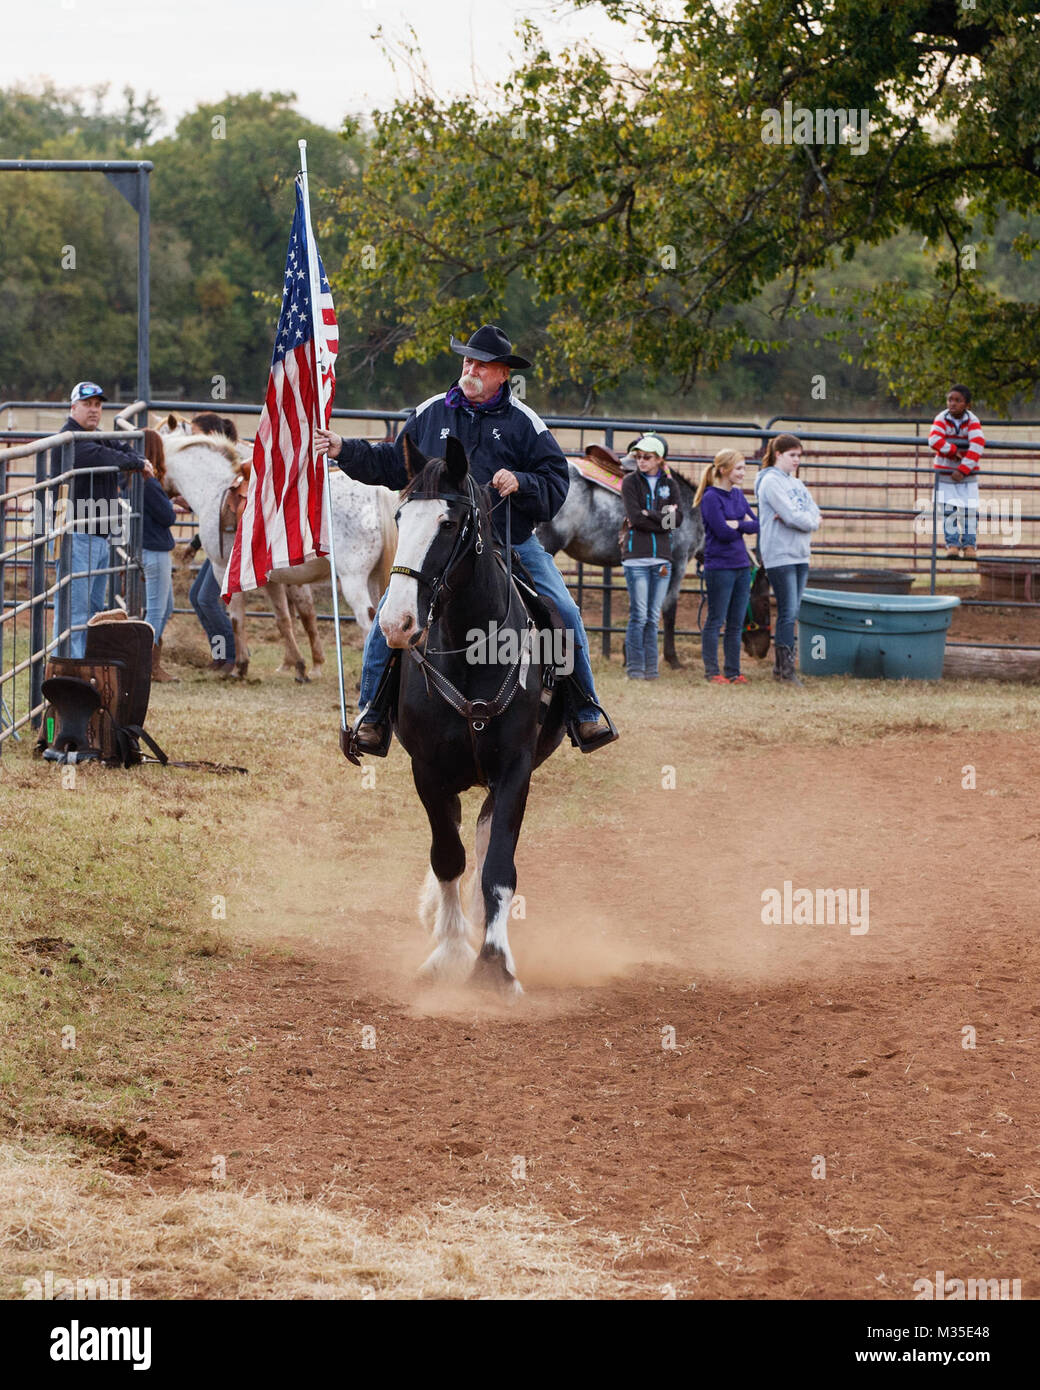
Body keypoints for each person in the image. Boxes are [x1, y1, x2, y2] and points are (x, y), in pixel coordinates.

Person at [316, 324, 614, 752]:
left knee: (563, 611)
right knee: (389, 614)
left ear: (502, 375)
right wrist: (345, 448)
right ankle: (374, 713)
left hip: (510, 541)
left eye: (481, 364)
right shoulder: (433, 411)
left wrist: (524, 482)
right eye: (467, 361)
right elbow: (393, 462)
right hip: (440, 547)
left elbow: (554, 483)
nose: (470, 369)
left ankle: (585, 710)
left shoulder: (525, 424)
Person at [51, 381, 146, 658]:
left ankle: (81, 666)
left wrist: (135, 460)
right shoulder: (70, 439)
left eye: (98, 404)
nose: (94, 410)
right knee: (74, 609)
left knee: (92, 608)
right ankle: (67, 667)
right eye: (87, 404)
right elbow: (112, 455)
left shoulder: (97, 436)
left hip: (97, 536)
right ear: (73, 407)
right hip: (77, 535)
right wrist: (136, 463)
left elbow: (128, 452)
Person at [754, 434, 821, 686]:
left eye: (799, 456)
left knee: (792, 611)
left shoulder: (795, 483)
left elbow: (812, 511)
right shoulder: (770, 482)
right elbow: (791, 515)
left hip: (800, 552)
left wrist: (808, 521)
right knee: (787, 611)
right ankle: (785, 668)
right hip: (780, 554)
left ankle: (783, 667)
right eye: (792, 455)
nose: (796, 460)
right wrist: (806, 521)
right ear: (778, 454)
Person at [620, 434, 682, 679]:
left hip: (662, 560)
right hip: (637, 558)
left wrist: (650, 514)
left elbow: (676, 522)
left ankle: (651, 671)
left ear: (659, 459)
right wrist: (662, 517)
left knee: (652, 616)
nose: (641, 461)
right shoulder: (629, 483)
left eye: (647, 457)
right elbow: (636, 518)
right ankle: (636, 670)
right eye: (638, 457)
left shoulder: (671, 485)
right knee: (640, 615)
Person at [694, 449, 759, 684]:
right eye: (739, 468)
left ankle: (733, 671)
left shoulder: (739, 496)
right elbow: (722, 532)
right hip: (720, 566)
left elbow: (757, 525)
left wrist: (737, 524)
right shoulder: (711, 497)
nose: (743, 473)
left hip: (741, 566)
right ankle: (712, 671)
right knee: (716, 619)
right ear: (723, 470)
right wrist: (742, 525)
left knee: (736, 621)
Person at [185, 413, 238, 673]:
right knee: (197, 596)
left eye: (195, 433)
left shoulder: (224, 467)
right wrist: (196, 544)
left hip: (226, 545)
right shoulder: (208, 468)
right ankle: (221, 655)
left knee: (205, 598)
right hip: (216, 543)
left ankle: (232, 654)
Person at [928, 384, 985, 560]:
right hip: (945, 474)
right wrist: (953, 451)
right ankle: (952, 545)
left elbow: (977, 444)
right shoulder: (942, 418)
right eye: (950, 399)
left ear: (967, 404)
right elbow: (934, 439)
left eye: (957, 400)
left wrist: (963, 469)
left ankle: (969, 545)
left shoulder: (972, 421)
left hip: (967, 476)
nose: (952, 404)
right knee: (948, 510)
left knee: (969, 510)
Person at [139, 429, 178, 681]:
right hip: (155, 550)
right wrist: (169, 505)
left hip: (149, 548)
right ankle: (145, 666)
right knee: (156, 611)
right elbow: (167, 517)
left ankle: (151, 664)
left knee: (165, 606)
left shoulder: (134, 482)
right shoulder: (149, 484)